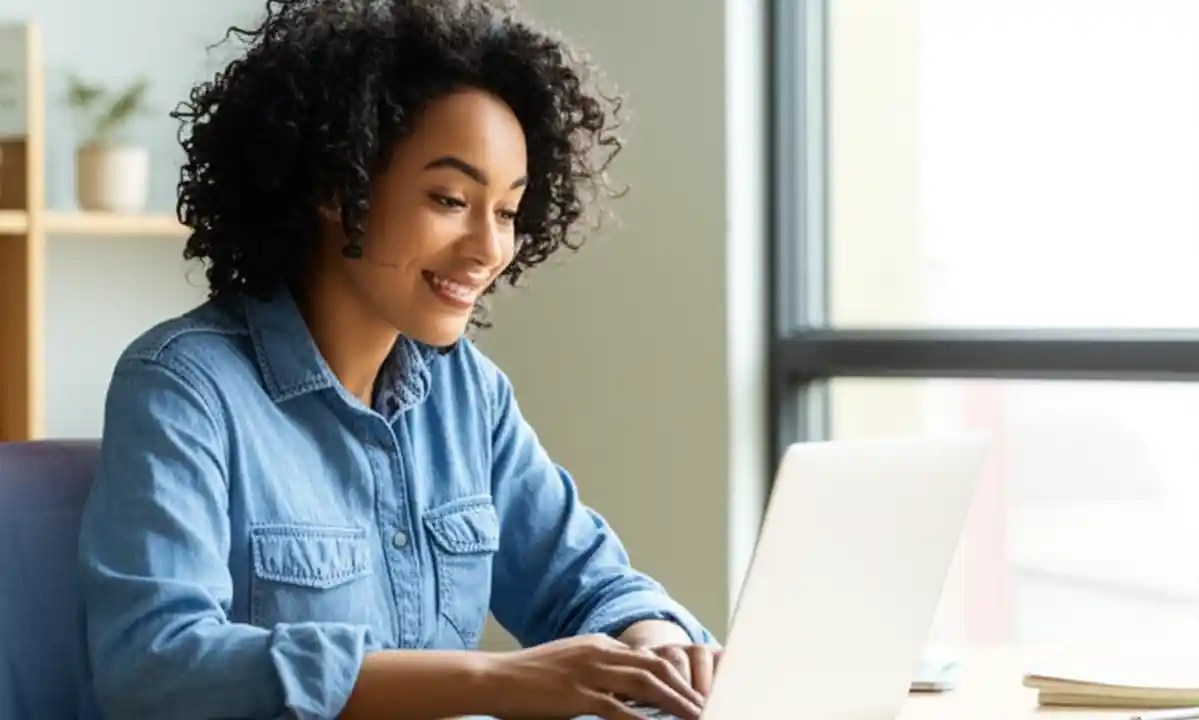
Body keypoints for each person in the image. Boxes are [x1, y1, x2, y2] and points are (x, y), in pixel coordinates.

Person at [75, 1, 719, 718]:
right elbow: (157, 666)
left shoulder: (467, 393)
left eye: (507, 211)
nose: (487, 249)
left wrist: (661, 647)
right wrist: (493, 680)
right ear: (335, 188)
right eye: (450, 199)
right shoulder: (183, 387)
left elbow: (588, 584)